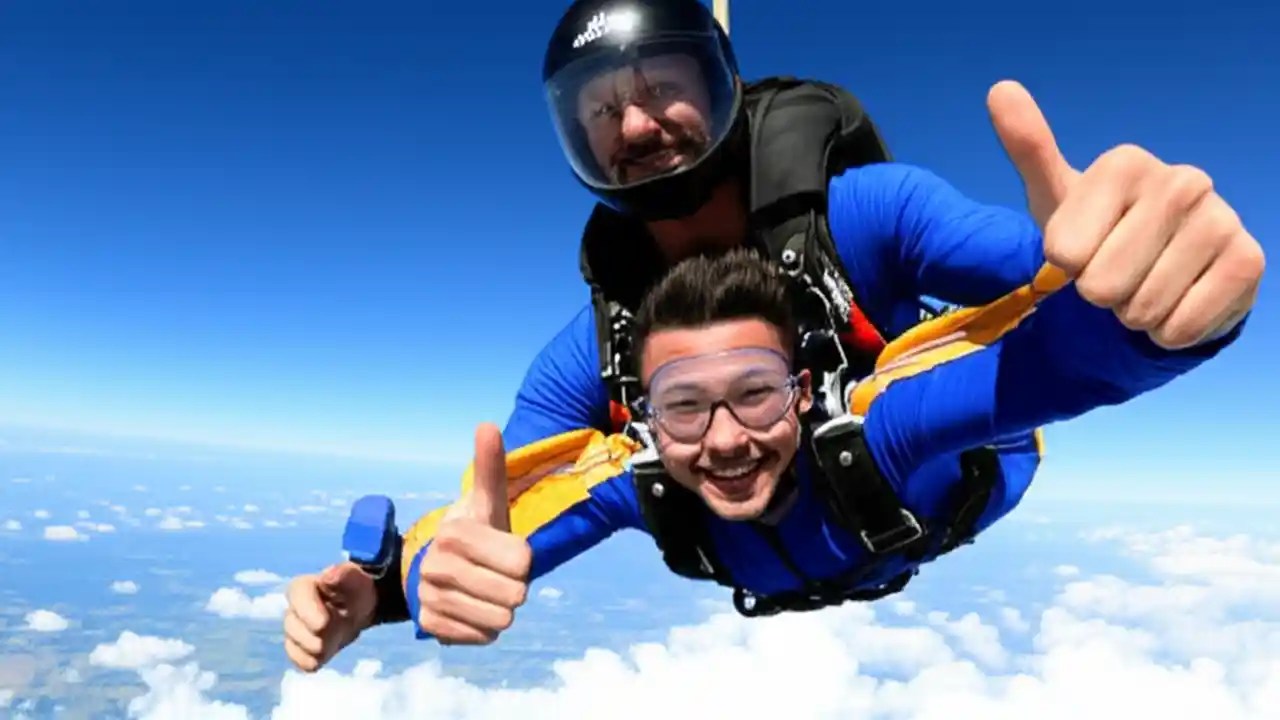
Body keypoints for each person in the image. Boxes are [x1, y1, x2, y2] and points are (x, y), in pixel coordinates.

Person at [282, 0, 1265, 670]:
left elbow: (1061, 304)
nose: (631, 126)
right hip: (794, 516)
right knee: (644, 463)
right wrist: (402, 587)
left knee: (888, 411)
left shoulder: (868, 220)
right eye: (596, 111)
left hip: (918, 458)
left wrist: (1160, 297)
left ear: (723, 87)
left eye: (658, 82)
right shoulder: (600, 356)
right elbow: (508, 509)